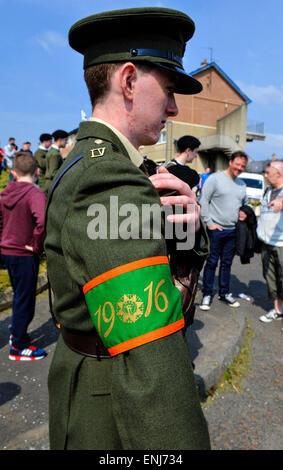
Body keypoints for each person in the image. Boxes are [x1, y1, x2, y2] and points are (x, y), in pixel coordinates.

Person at [44, 7, 210, 450]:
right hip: (114, 405)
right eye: (170, 89)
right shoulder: (109, 178)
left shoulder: (85, 162)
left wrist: (187, 237)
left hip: (92, 385)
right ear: (130, 81)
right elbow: (152, 354)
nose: (174, 107)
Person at [0, 152, 47, 360]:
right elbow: (43, 222)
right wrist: (36, 245)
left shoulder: (4, 194)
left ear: (13, 173)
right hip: (24, 253)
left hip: (7, 251)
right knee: (24, 299)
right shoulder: (35, 194)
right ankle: (18, 345)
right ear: (37, 172)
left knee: (20, 296)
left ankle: (16, 335)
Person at [199, 151, 248, 310]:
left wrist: (244, 213)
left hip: (233, 231)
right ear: (230, 162)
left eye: (243, 166)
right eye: (237, 164)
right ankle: (207, 294)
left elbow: (244, 205)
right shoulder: (215, 179)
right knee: (212, 262)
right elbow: (203, 201)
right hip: (216, 229)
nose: (239, 168)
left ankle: (224, 293)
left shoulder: (242, 184)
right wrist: (209, 223)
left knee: (227, 263)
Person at [257, 161, 283, 323]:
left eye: (268, 173)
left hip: (281, 243)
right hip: (266, 242)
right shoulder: (268, 190)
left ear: (279, 173)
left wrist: (281, 200)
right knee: (270, 277)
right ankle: (277, 309)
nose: (265, 175)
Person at [44, 130, 68, 194]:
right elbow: (53, 172)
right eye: (65, 140)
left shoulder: (52, 151)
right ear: (60, 140)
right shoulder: (55, 154)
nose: (66, 142)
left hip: (51, 183)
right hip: (53, 184)